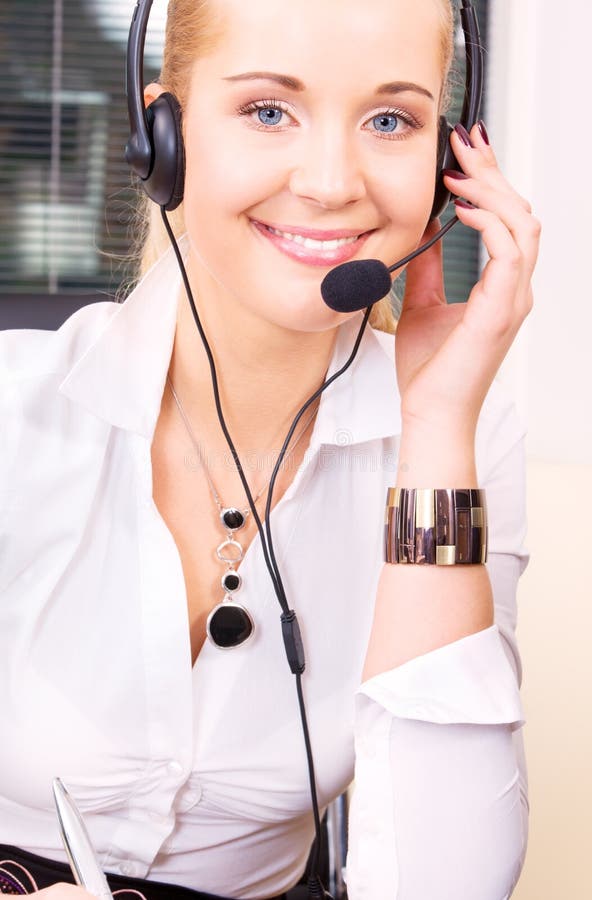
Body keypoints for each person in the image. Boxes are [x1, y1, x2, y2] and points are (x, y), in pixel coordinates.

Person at [0, 0, 540, 898]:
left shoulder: (464, 438)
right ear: (160, 136)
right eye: (267, 110)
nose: (331, 181)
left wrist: (437, 434)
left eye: (390, 119)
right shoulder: (15, 407)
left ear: (447, 165)